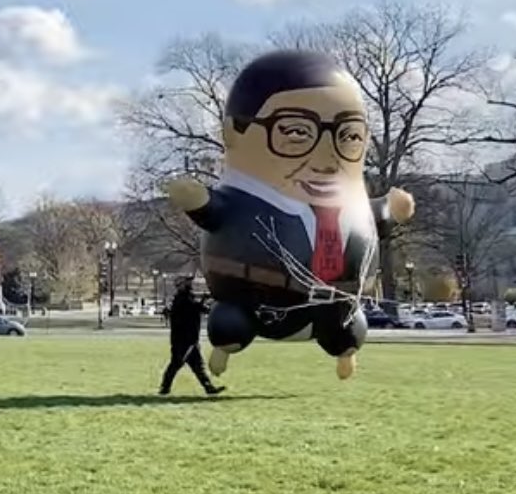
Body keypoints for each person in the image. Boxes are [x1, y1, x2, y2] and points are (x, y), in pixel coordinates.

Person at [166, 50, 416, 381]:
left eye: (349, 135)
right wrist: (198, 202)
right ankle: (226, 345)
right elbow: (213, 213)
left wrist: (389, 209)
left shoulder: (352, 204)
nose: (327, 159)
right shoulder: (242, 201)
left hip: (337, 307)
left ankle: (345, 351)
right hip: (255, 305)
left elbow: (374, 222)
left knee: (347, 329)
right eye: (297, 132)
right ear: (234, 133)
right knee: (231, 323)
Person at [160, 277, 225, 396]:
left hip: (190, 340)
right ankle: (164, 388)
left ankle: (209, 388)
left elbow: (197, 308)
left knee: (198, 366)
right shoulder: (182, 299)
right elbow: (195, 309)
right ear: (181, 285)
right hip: (184, 341)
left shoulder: (185, 298)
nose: (190, 284)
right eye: (187, 283)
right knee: (176, 364)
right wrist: (205, 302)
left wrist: (204, 302)